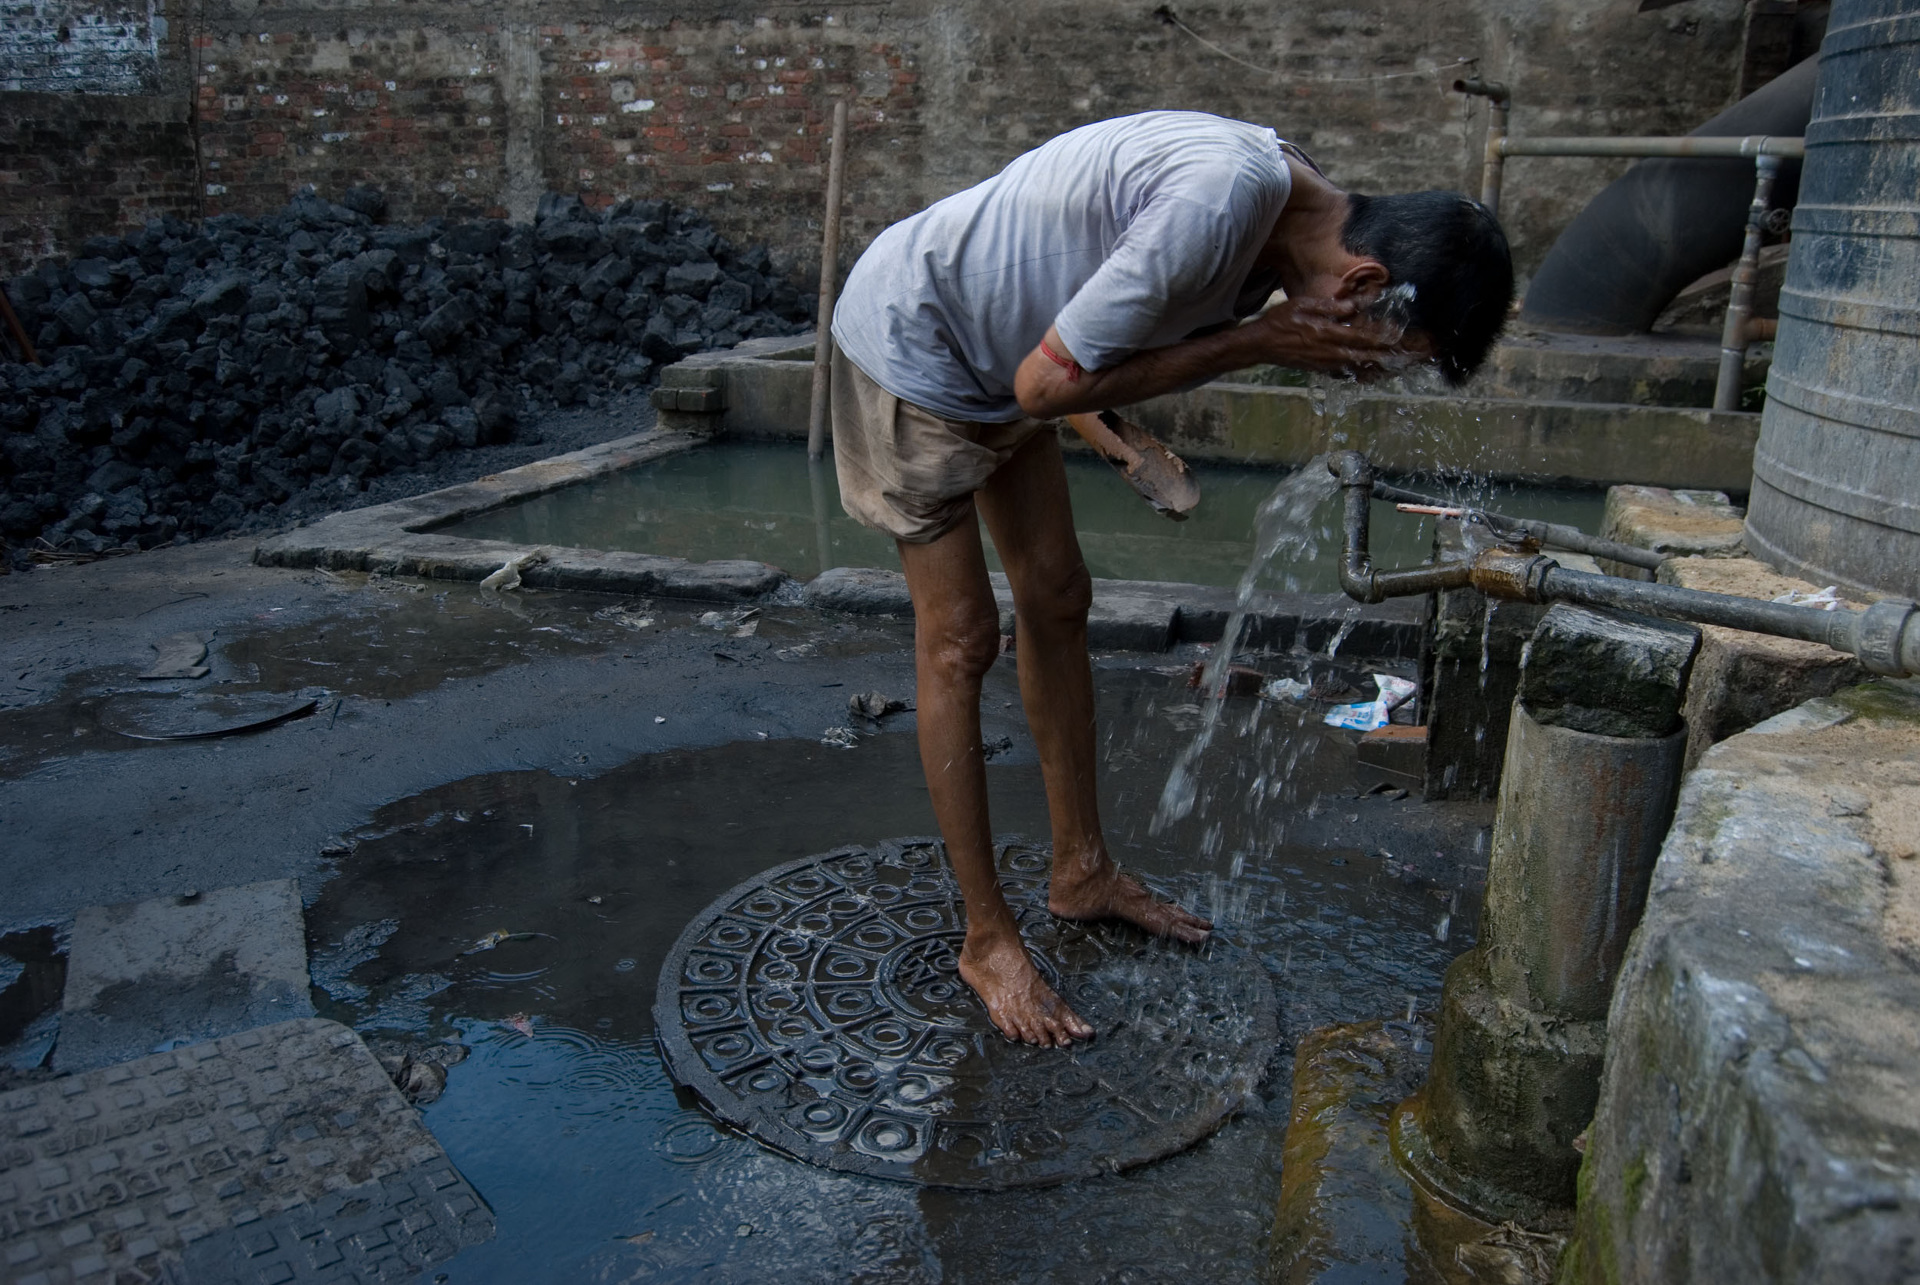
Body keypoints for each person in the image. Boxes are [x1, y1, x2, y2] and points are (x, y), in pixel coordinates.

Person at [828, 110, 1513, 1047]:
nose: (1361, 378)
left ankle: (1081, 870)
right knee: (962, 639)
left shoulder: (1290, 199)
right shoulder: (1219, 202)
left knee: (1060, 596)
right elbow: (1042, 387)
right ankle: (986, 939)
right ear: (1361, 283)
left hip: (1008, 350)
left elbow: (1078, 336)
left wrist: (1112, 421)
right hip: (916, 341)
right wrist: (1263, 342)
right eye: (1378, 360)